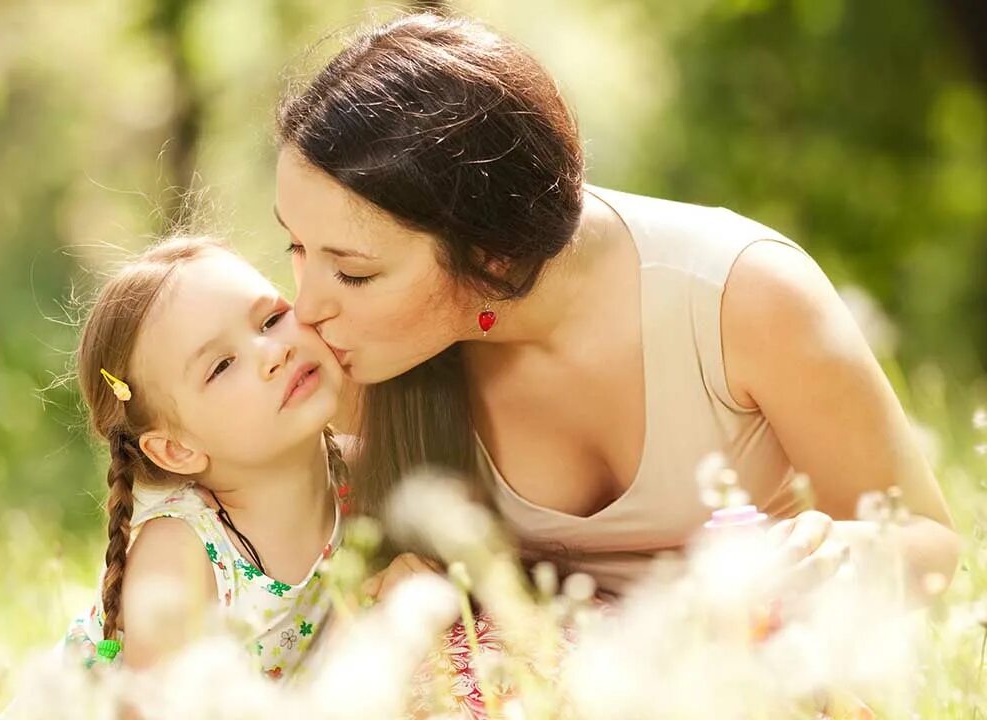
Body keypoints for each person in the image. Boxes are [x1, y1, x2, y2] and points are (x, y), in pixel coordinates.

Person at [273, 11, 960, 601]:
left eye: (354, 274)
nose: (305, 309)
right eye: (295, 248)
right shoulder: (351, 358)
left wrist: (837, 555)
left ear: (491, 256)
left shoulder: (742, 297)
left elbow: (932, 545)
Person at [63, 235, 349, 679]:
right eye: (221, 366)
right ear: (177, 449)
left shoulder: (366, 475)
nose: (274, 353)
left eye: (272, 319)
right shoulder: (181, 556)